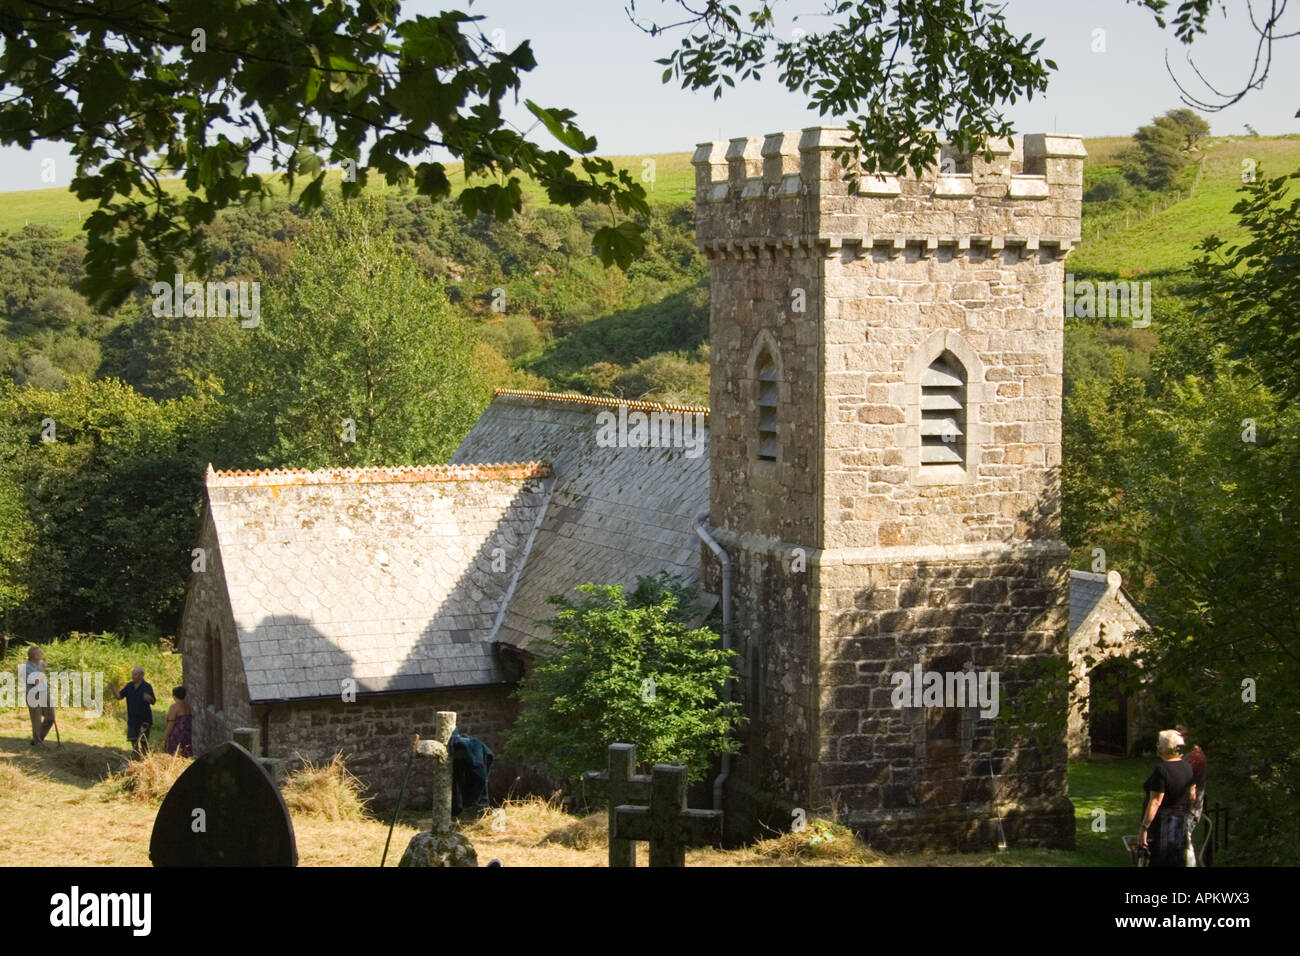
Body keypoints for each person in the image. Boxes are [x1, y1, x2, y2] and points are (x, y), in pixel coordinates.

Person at [1138, 729, 1197, 866]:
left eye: (1159, 743)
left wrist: (1144, 828)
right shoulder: (1188, 768)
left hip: (1163, 823)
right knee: (1177, 860)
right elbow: (1192, 796)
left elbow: (1155, 802)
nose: (1157, 746)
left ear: (1164, 748)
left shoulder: (1162, 770)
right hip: (1180, 821)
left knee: (1161, 860)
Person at [18, 646, 54, 746]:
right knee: (36, 720)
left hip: (44, 692)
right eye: (39, 653)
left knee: (50, 718)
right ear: (33, 656)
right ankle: (38, 742)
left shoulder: (39, 663)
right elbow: (36, 681)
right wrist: (43, 669)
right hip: (33, 695)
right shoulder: (25, 667)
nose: (42, 654)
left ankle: (38, 739)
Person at [117, 666, 157, 757]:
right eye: (133, 674)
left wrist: (149, 698)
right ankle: (136, 760)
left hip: (144, 720)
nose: (133, 676)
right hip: (132, 720)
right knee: (134, 743)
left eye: (135, 674)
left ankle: (146, 761)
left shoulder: (147, 686)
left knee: (144, 743)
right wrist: (112, 689)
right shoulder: (129, 685)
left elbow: (153, 701)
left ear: (141, 675)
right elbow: (119, 697)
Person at [164, 685, 193, 757]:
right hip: (187, 735)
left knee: (175, 756)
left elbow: (171, 723)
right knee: (185, 755)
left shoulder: (174, 707)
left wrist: (165, 738)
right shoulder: (188, 707)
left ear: (174, 696)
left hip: (176, 736)